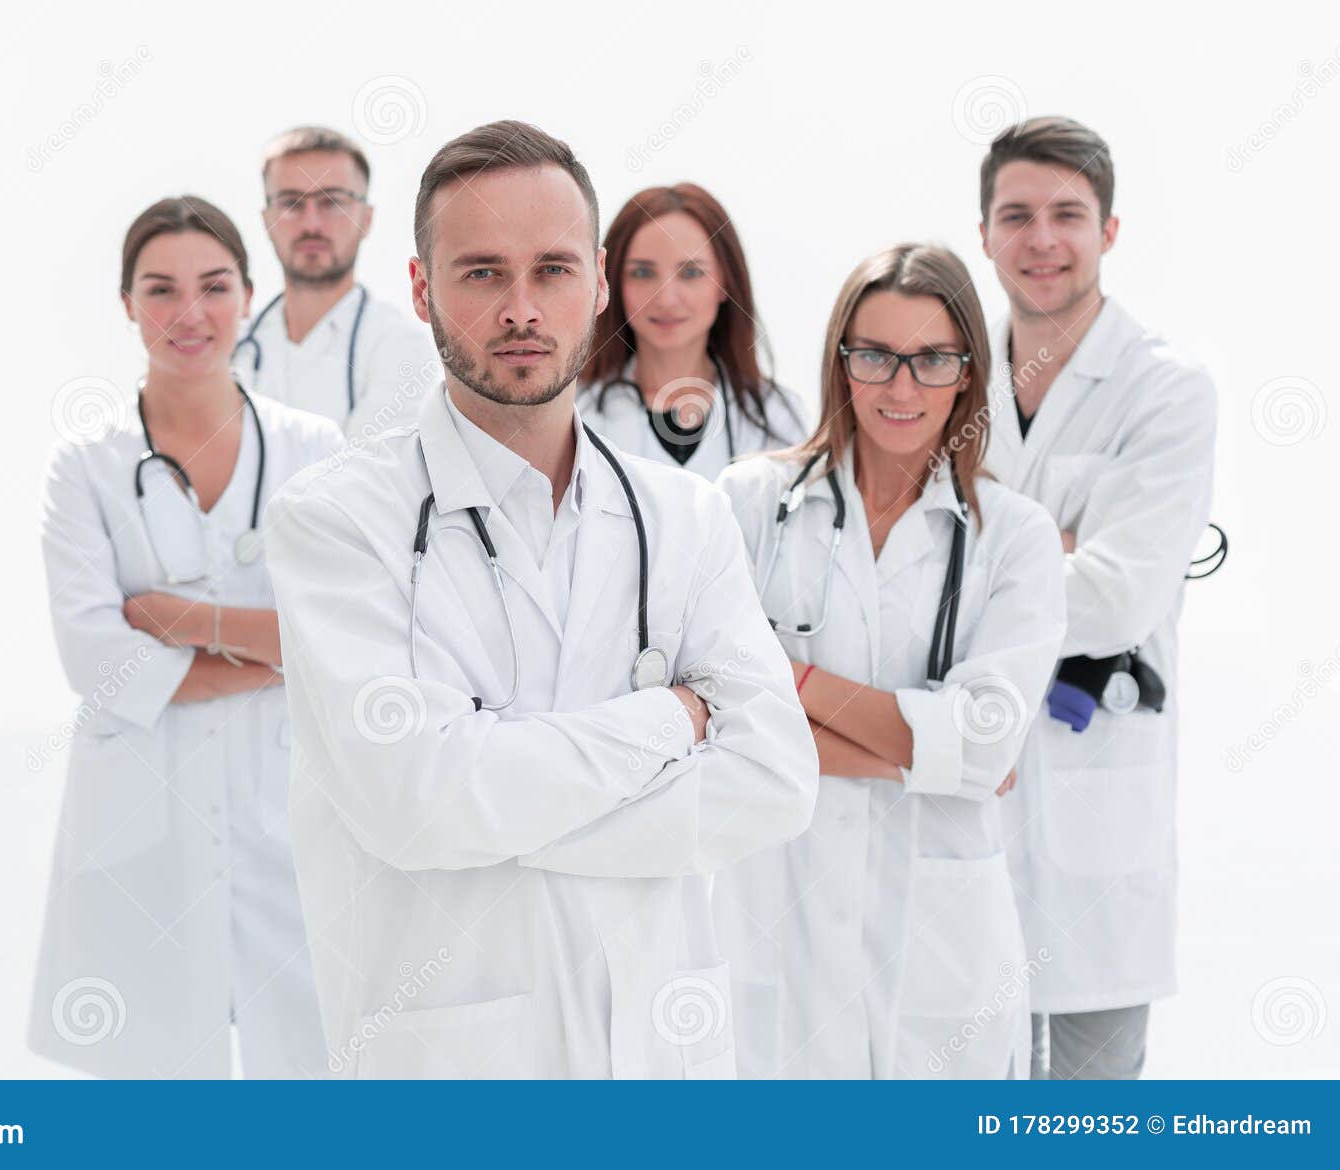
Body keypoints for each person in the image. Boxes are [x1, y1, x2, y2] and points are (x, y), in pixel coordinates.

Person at [264, 121, 821, 1079]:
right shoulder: (337, 523)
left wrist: (505, 806)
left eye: (553, 269)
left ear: (599, 281)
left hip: (662, 1056)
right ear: (421, 287)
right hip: (455, 1066)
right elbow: (419, 805)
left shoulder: (683, 517)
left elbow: (775, 781)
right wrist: (672, 719)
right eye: (481, 273)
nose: (522, 308)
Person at [712, 244, 1066, 1079]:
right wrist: (929, 754)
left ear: (967, 371)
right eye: (874, 356)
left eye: (931, 359)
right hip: (773, 918)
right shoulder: (747, 505)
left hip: (942, 950)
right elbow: (708, 723)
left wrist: (789, 682)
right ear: (841, 361)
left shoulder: (1015, 537)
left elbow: (988, 748)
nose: (901, 388)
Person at [28, 196, 344, 1079]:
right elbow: (98, 663)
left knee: (314, 1082)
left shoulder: (314, 452)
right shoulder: (85, 466)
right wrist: (275, 650)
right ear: (127, 304)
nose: (189, 314)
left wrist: (181, 623)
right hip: (143, 828)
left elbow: (345, 638)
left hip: (288, 821)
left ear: (249, 294)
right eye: (160, 290)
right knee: (155, 1102)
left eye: (213, 287)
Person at [978, 117, 1218, 1080]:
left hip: (1097, 806)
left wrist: (979, 558)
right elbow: (893, 572)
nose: (1043, 239)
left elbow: (1118, 602)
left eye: (1068, 215)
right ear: (985, 233)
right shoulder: (943, 380)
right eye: (1018, 215)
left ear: (1109, 230)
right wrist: (1056, 547)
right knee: (968, 1111)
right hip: (965, 807)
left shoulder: (1166, 390)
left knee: (1093, 1123)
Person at [577, 183, 807, 478]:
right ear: (610, 282)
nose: (666, 299)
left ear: (725, 283)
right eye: (643, 273)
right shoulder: (575, 414)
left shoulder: (777, 418)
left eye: (691, 273)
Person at [233, 126, 439, 440]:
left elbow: (365, 480)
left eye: (332, 202)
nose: (311, 223)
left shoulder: (400, 348)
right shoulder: (234, 346)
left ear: (366, 218)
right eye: (291, 203)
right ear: (266, 219)